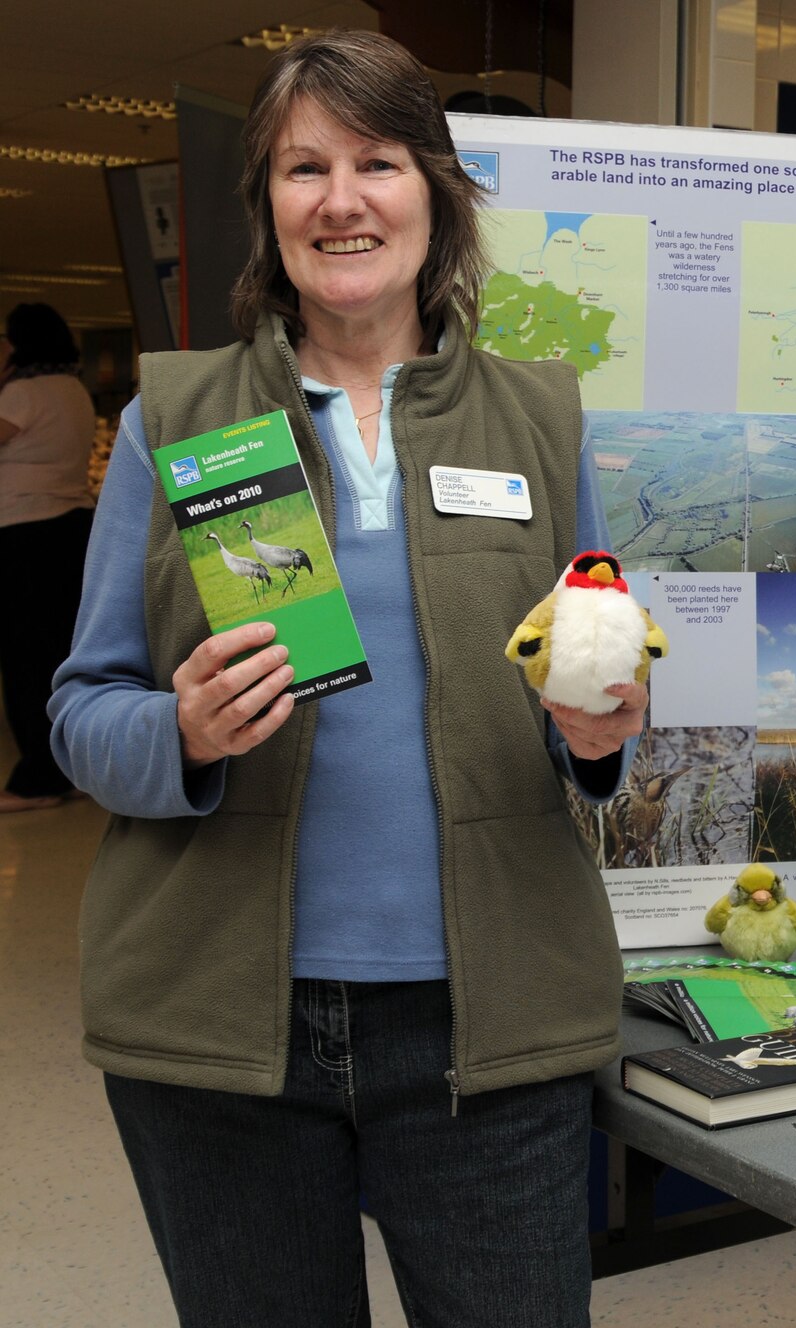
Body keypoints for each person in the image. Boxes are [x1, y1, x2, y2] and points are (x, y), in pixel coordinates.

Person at [48, 30, 638, 1326]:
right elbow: (83, 714)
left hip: (489, 1031)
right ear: (268, 206)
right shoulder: (177, 421)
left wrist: (598, 736)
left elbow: (585, 716)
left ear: (436, 189)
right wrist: (185, 731)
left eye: (377, 160)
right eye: (303, 167)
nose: (342, 198)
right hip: (221, 1029)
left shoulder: (540, 419)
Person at [0, 302, 96, 811]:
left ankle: (36, 778)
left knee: (24, 660)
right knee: (60, 652)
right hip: (70, 529)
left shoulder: (20, 393)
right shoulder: (73, 389)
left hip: (22, 535)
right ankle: (73, 767)